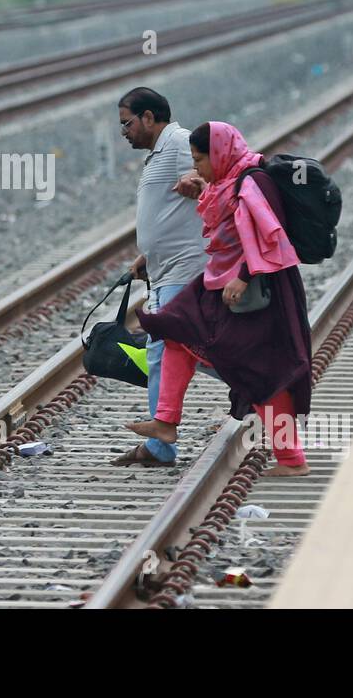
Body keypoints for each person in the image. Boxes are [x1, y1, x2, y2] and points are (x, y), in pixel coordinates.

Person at [127, 122, 313, 477]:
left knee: (261, 374)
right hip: (222, 284)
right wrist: (201, 190)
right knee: (176, 330)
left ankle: (292, 460)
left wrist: (243, 276)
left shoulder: (253, 182)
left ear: (220, 154)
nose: (197, 166)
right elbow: (226, 222)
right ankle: (165, 421)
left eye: (200, 160)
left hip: (259, 292)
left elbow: (271, 236)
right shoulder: (227, 181)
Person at [111, 88, 209, 469]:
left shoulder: (182, 143)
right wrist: (148, 255)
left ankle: (161, 442)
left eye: (127, 123)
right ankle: (161, 441)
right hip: (166, 268)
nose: (124, 132)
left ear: (149, 117)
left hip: (185, 269)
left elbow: (230, 170)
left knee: (168, 349)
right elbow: (169, 212)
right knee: (173, 349)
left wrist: (200, 178)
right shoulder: (160, 154)